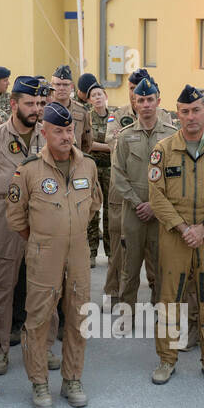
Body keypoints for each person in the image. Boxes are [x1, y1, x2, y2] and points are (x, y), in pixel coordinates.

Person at [6, 102, 101, 408]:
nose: (66, 136)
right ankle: (39, 383)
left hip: (78, 255)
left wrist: (70, 233)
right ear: (44, 132)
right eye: (58, 131)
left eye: (69, 130)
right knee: (38, 320)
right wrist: (43, 241)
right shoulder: (29, 169)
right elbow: (16, 218)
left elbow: (94, 203)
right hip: (43, 255)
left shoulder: (88, 165)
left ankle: (72, 379)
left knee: (78, 317)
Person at [147, 85, 204, 386]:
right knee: (170, 298)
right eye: (184, 112)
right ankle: (167, 360)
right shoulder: (163, 149)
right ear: (177, 114)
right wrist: (184, 228)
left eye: (196, 110)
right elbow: (156, 196)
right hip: (175, 235)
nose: (191, 117)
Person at [0, 76, 49, 377]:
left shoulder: (47, 136)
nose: (36, 108)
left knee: (42, 289)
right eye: (30, 103)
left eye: (39, 103)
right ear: (13, 104)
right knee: (2, 291)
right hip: (6, 229)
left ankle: (42, 346)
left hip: (41, 229)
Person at [111, 78, 175, 310]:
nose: (146, 104)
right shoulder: (125, 136)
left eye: (150, 99)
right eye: (141, 100)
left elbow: (175, 177)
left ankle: (159, 310)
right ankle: (127, 312)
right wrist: (139, 204)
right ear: (135, 104)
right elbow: (118, 174)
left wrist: (155, 206)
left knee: (160, 265)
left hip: (162, 212)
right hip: (133, 211)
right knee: (129, 267)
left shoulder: (171, 135)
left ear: (158, 101)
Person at [86, 83, 116, 276]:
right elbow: (87, 144)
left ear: (106, 96)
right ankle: (91, 252)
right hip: (93, 168)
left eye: (100, 94)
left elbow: (118, 138)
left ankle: (112, 253)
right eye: (93, 95)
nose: (97, 97)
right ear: (89, 100)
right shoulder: (87, 117)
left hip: (112, 169)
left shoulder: (115, 117)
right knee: (93, 210)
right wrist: (108, 146)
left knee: (111, 213)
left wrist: (104, 145)